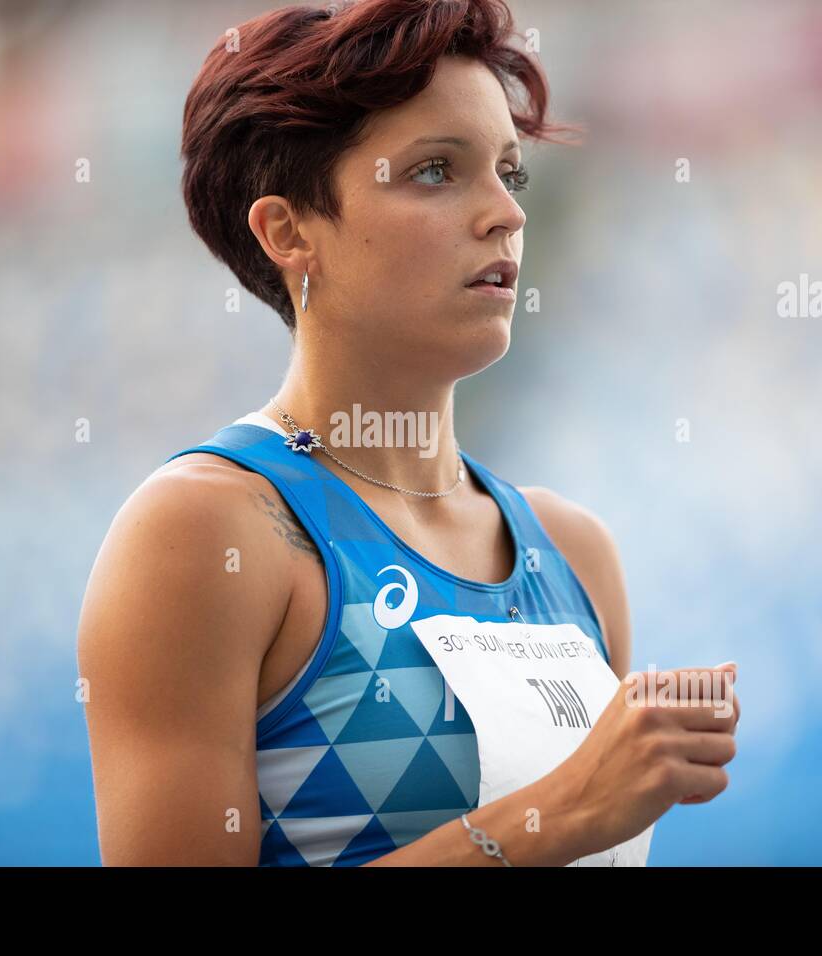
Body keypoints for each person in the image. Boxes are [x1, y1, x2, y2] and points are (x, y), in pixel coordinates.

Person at [77, 0, 739, 866]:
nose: (506, 213)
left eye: (511, 172)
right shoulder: (205, 533)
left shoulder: (575, 553)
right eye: (435, 170)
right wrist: (561, 811)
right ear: (287, 231)